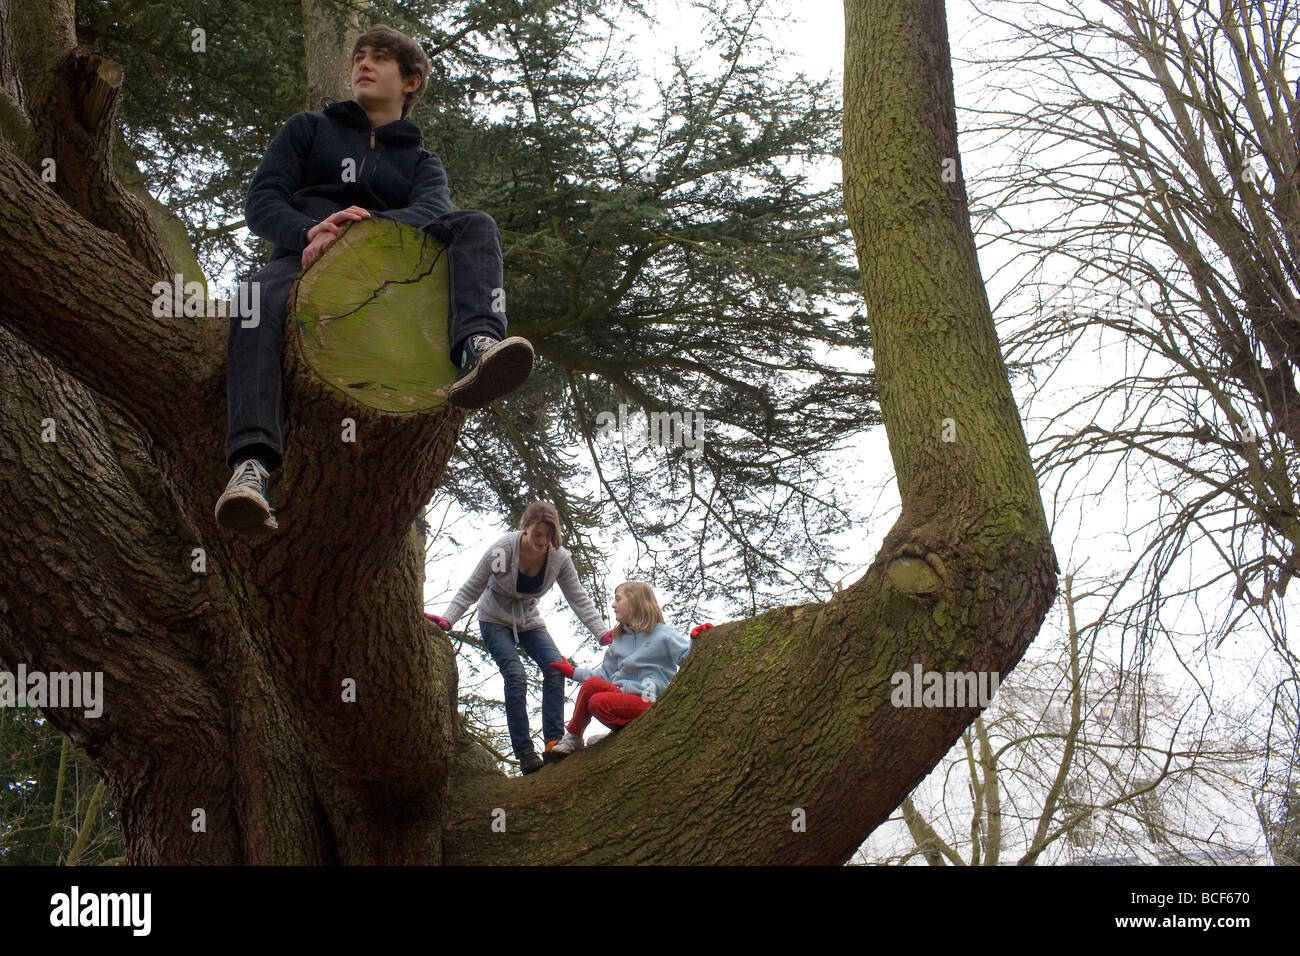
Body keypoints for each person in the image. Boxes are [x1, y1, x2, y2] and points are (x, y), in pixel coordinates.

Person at [216, 23, 533, 534]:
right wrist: (310, 229)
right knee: (252, 298)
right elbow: (262, 202)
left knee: (476, 223)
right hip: (299, 258)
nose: (363, 64)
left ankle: (478, 345)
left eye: (380, 58)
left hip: (392, 273)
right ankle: (249, 468)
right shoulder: (308, 129)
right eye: (359, 56)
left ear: (411, 82)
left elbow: (433, 210)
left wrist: (358, 232)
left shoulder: (421, 160)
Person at [427, 501, 608, 774]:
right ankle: (525, 754)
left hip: (529, 620)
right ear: (525, 528)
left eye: (548, 536)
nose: (542, 541)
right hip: (494, 619)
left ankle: (554, 742)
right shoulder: (503, 550)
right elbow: (473, 585)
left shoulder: (558, 558)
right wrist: (448, 618)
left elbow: (578, 598)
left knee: (555, 667)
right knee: (515, 675)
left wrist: (601, 631)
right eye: (537, 535)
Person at [547, 581, 690, 759]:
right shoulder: (618, 641)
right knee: (593, 688)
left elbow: (688, 655)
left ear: (636, 601)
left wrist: (701, 637)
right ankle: (574, 736)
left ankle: (613, 735)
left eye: (618, 599)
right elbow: (603, 676)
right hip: (622, 696)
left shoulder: (663, 634)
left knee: (598, 702)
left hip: (649, 700)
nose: (613, 604)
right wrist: (572, 672)